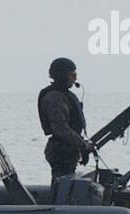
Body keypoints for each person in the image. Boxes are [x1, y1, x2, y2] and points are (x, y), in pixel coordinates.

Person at [37, 57, 94, 199]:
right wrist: (82, 145)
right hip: (60, 151)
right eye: (72, 74)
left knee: (65, 184)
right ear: (62, 75)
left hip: (69, 149)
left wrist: (82, 147)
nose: (75, 78)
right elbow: (61, 129)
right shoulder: (54, 97)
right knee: (61, 187)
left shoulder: (64, 95)